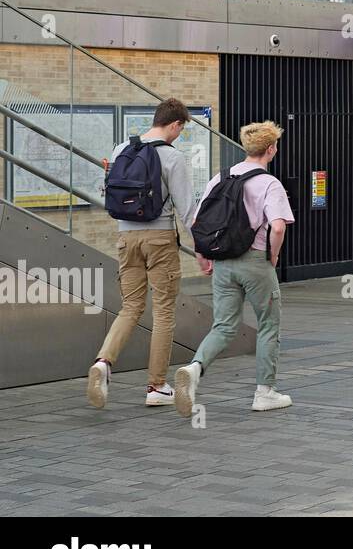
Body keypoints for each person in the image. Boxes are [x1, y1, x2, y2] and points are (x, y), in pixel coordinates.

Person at [174, 121, 295, 416]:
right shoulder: (269, 183)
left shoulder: (221, 177)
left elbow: (196, 221)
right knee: (268, 324)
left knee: (224, 326)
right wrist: (274, 256)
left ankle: (195, 368)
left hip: (223, 262)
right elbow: (278, 227)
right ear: (270, 149)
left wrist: (203, 255)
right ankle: (264, 392)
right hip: (255, 262)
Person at [87, 98, 193, 409]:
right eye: (180, 130)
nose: (179, 135)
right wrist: (203, 250)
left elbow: (106, 191)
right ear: (174, 124)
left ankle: (104, 362)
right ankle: (156, 386)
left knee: (130, 306)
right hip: (159, 239)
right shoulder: (173, 157)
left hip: (125, 237)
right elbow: (187, 211)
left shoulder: (122, 149)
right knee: (163, 312)